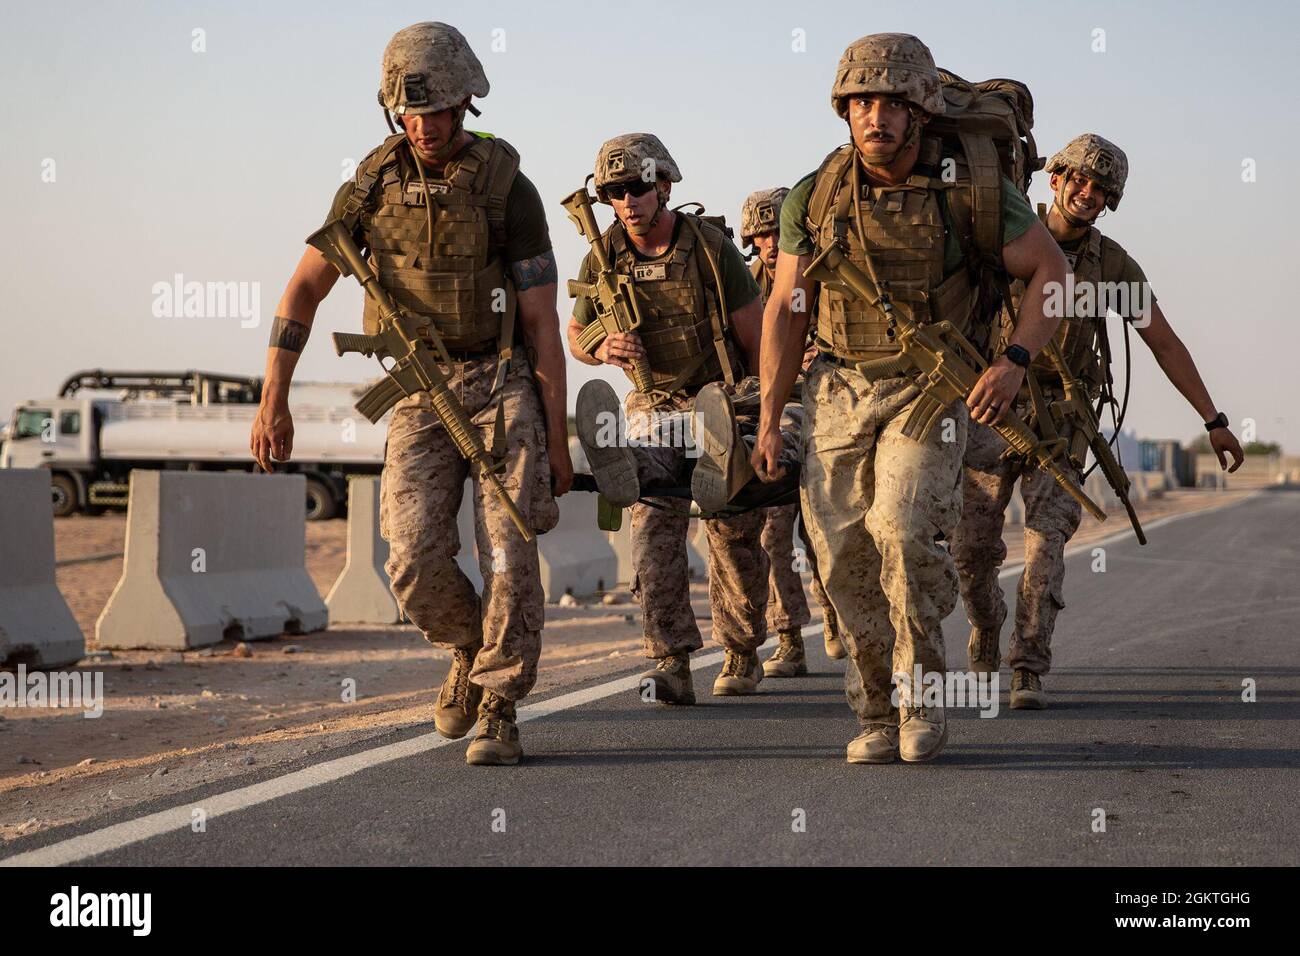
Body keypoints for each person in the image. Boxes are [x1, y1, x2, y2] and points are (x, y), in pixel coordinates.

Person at [249, 22, 572, 766]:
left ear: (467, 105)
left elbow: (540, 321)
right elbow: (303, 288)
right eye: (411, 113)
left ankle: (498, 704)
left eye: (439, 112)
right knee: (411, 557)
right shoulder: (368, 187)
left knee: (510, 552)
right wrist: (275, 398)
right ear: (393, 110)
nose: (424, 128)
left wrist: (555, 436)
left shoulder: (506, 189)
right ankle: (468, 649)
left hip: (500, 384)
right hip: (417, 388)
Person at [751, 34, 1070, 764]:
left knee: (901, 531)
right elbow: (786, 307)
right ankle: (874, 709)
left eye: (894, 102)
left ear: (922, 111)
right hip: (836, 386)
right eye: (863, 101)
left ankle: (922, 699)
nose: (877, 116)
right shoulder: (818, 193)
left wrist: (1015, 360)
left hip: (929, 389)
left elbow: (1050, 272)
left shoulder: (972, 187)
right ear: (844, 110)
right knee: (840, 555)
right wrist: (770, 418)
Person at [952, 133, 1245, 709]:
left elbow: (1162, 342)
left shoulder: (1112, 265)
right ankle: (986, 622)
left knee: (1045, 546)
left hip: (1064, 423)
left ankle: (1028, 665)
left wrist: (1213, 419)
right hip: (991, 414)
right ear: (1054, 179)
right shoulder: (1002, 235)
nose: (1087, 193)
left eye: (1102, 189)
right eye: (1079, 180)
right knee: (972, 552)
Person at [569, 134, 772, 703]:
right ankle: (672, 660)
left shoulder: (709, 250)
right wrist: (601, 347)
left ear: (663, 185)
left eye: (636, 187)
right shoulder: (602, 256)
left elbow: (756, 335)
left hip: (722, 399)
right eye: (614, 192)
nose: (626, 201)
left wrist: (762, 412)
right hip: (653, 403)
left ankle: (741, 646)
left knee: (732, 534)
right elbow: (575, 335)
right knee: (653, 521)